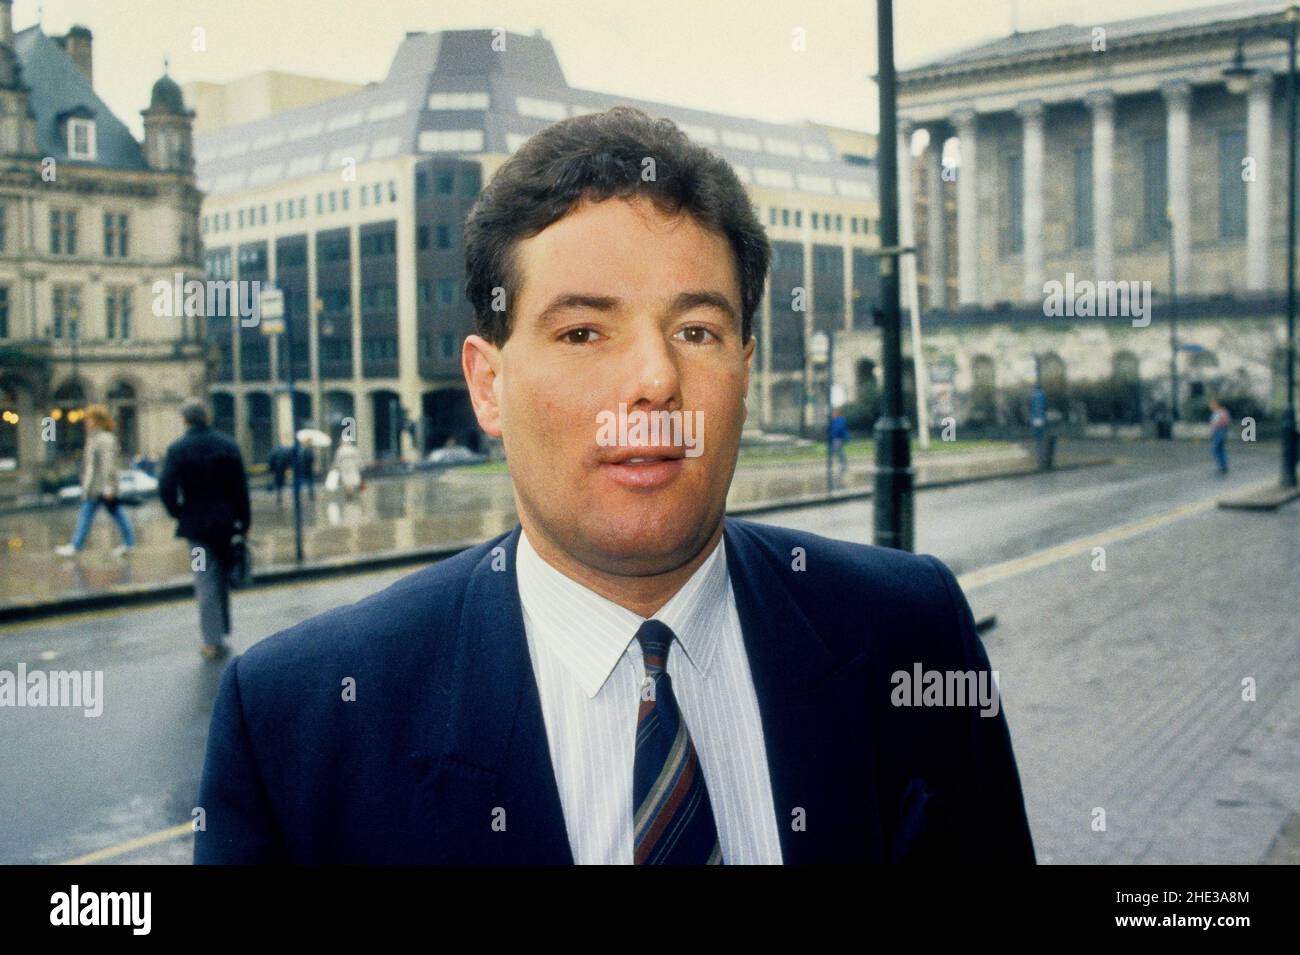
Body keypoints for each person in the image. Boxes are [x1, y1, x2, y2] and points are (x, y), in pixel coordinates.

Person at [196, 106, 1034, 865]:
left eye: (697, 329)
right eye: (584, 331)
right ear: (488, 386)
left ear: (745, 367)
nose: (654, 379)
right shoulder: (300, 724)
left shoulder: (912, 636)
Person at [159, 399, 252, 661]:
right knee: (221, 575)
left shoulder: (178, 449)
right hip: (226, 524)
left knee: (204, 580)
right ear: (207, 418)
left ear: (185, 420)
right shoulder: (228, 445)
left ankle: (212, 641)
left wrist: (178, 512)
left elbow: (165, 486)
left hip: (196, 528)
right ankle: (221, 627)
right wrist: (244, 522)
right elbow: (240, 488)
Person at [55, 405, 135, 558]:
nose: (86, 422)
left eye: (89, 419)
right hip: (95, 486)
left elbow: (107, 465)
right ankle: (128, 543)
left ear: (98, 420)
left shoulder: (104, 438)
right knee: (114, 513)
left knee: (89, 514)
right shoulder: (94, 437)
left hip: (99, 487)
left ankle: (76, 546)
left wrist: (108, 488)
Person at [1208, 397, 1231, 475]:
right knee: (1219, 449)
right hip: (1217, 432)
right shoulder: (1216, 412)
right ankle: (1223, 466)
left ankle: (1223, 466)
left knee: (1215, 448)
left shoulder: (1221, 412)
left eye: (1212, 404)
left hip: (1220, 431)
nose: (1210, 406)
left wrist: (1218, 426)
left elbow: (1225, 422)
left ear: (1216, 404)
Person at [828, 406, 849, 484]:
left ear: (837, 413)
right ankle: (842, 465)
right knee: (838, 451)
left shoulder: (840, 419)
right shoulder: (834, 420)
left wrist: (832, 434)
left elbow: (838, 429)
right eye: (833, 413)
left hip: (839, 438)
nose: (833, 414)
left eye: (834, 413)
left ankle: (843, 465)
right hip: (835, 438)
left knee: (837, 451)